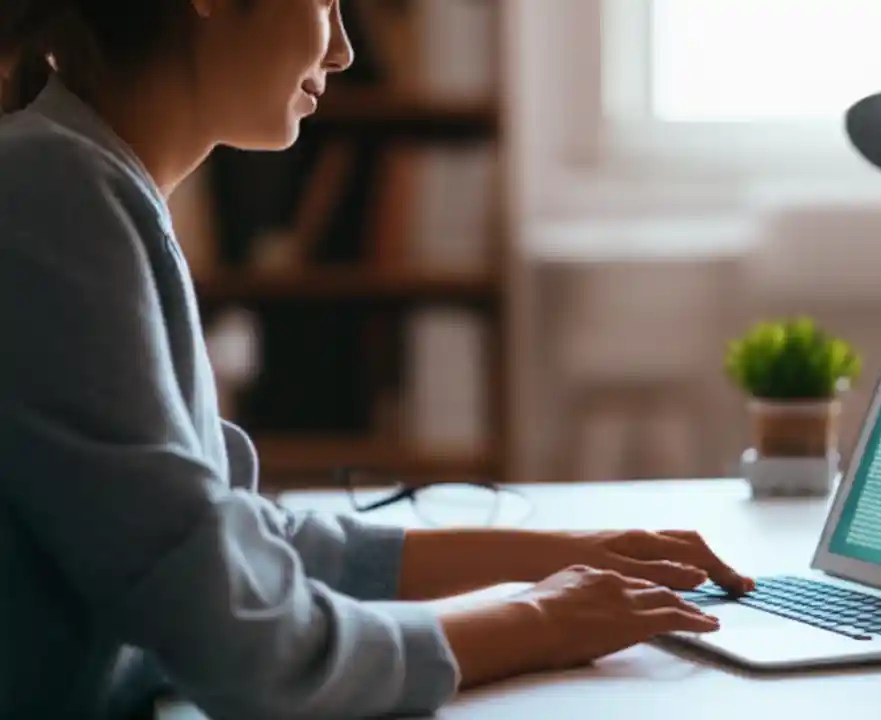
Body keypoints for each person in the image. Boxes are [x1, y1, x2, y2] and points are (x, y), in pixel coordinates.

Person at [0, 1, 753, 717]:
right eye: (325, 5)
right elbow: (255, 647)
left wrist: (559, 552)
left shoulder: (88, 185)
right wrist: (543, 622)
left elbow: (227, 545)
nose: (343, 49)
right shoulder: (55, 194)